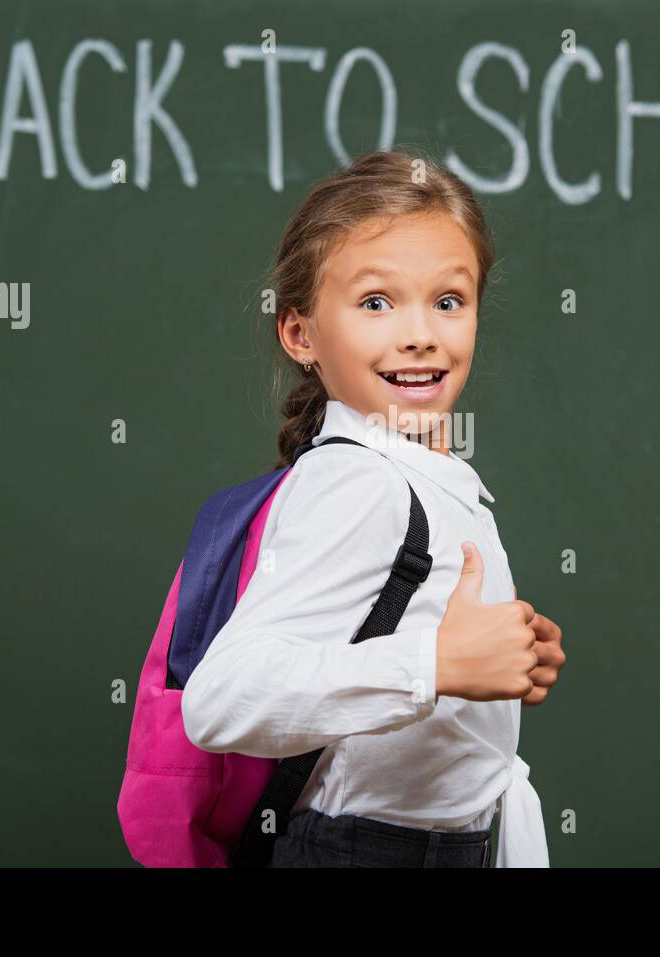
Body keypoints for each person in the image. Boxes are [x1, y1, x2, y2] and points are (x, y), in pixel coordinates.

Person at [180, 147, 565, 867]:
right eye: (376, 302)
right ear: (300, 334)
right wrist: (438, 661)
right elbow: (220, 698)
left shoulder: (428, 473)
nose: (419, 333)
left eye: (448, 301)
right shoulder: (361, 483)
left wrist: (495, 660)